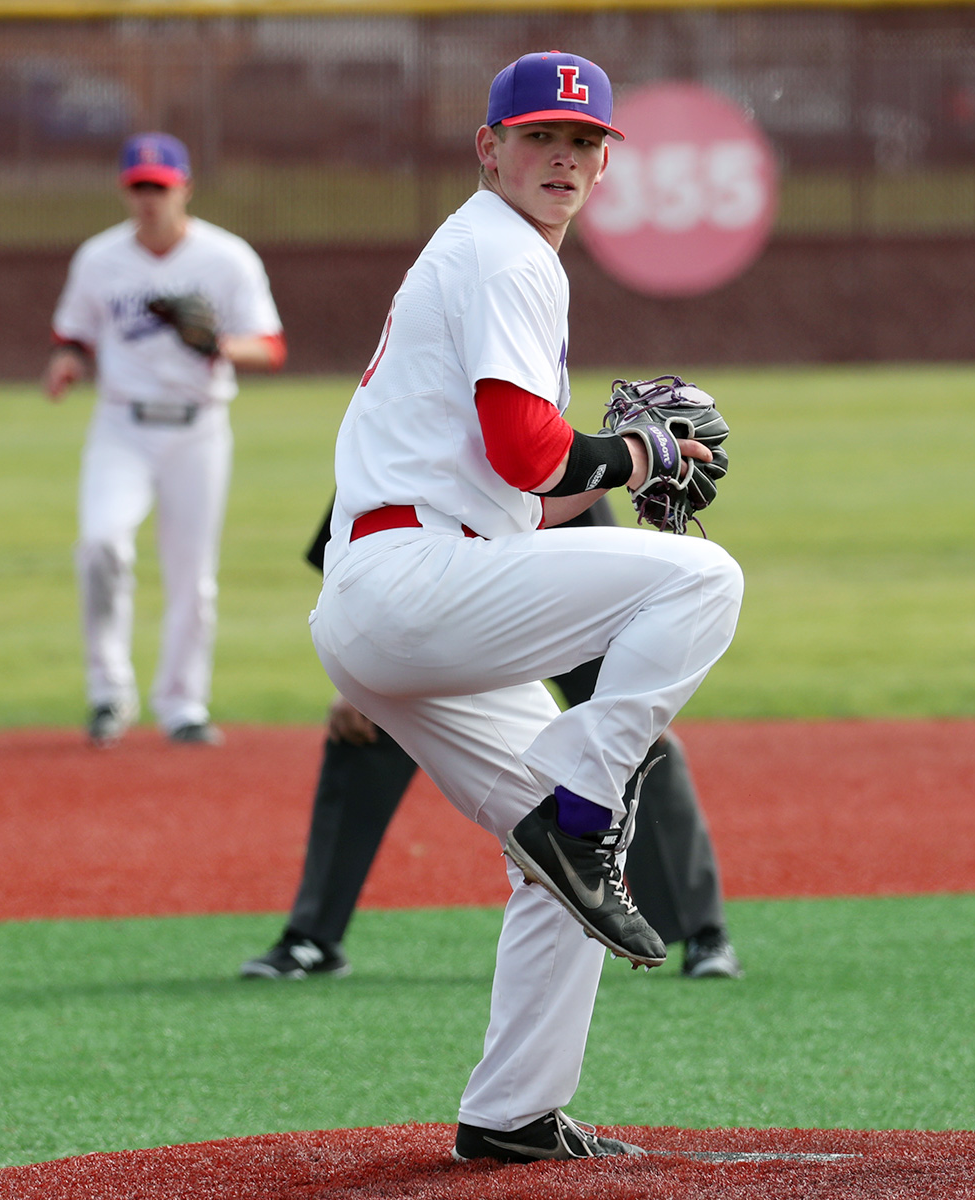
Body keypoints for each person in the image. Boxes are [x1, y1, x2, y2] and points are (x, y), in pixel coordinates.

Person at [306, 52, 744, 1163]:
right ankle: (583, 817)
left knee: (554, 857)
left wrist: (621, 467)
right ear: (489, 148)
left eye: (584, 141)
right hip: (418, 583)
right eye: (541, 135)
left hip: (401, 589)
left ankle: (513, 1114)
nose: (564, 157)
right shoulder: (504, 254)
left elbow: (519, 498)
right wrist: (643, 454)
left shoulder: (482, 251)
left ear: (606, 164)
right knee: (704, 580)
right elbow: (527, 452)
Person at [242, 496, 742, 982]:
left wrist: (630, 460)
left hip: (559, 573)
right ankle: (313, 935)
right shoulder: (394, 443)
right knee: (362, 726)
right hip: (437, 588)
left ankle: (700, 929)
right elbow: (363, 524)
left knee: (632, 734)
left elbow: (564, 468)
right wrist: (362, 659)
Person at [43, 132, 286, 747]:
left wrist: (219, 346)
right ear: (125, 191)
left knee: (193, 578)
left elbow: (271, 347)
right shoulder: (99, 259)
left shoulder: (226, 258)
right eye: (139, 187)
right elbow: (74, 334)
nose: (149, 199)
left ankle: (182, 705)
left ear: (185, 188)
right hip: (120, 425)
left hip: (197, 429)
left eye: (160, 186)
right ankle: (108, 693)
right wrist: (67, 362)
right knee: (100, 544)